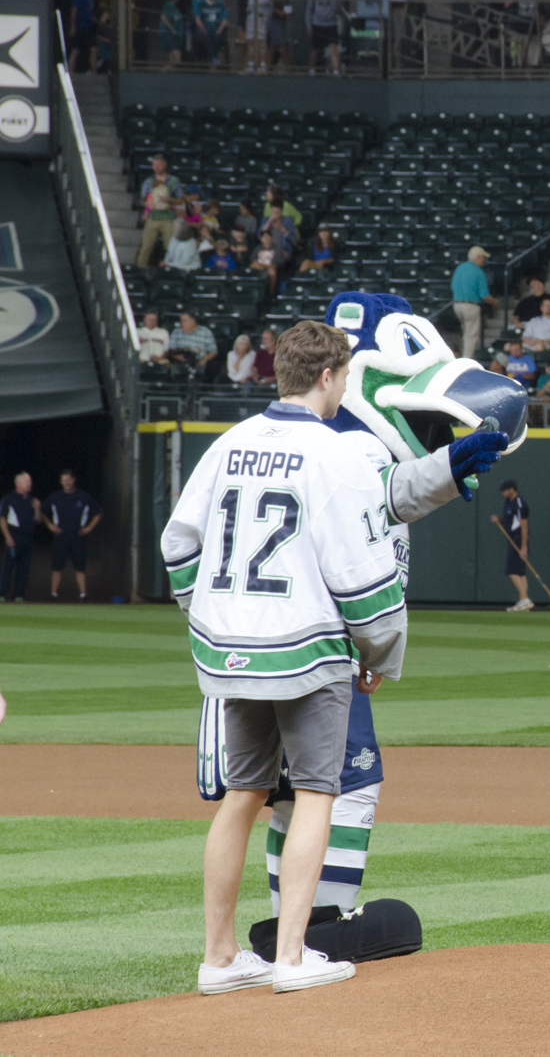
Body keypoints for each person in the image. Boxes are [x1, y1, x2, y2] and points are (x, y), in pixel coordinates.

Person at [161, 321, 407, 996]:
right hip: (309, 650)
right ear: (326, 376)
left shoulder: (230, 442)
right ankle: (292, 956)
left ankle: (218, 958)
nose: (344, 388)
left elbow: (178, 545)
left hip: (233, 650)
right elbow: (362, 576)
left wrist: (207, 614)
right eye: (344, 377)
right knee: (318, 794)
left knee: (242, 795)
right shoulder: (335, 454)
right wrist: (379, 653)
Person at [42, 468, 101, 603]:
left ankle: (83, 595)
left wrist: (89, 528)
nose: (67, 483)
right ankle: (53, 594)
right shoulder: (55, 497)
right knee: (57, 566)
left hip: (77, 536)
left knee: (80, 567)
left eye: (68, 480)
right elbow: (43, 511)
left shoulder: (83, 497)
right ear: (61, 482)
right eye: (64, 480)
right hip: (60, 536)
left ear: (74, 480)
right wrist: (49, 525)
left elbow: (98, 513)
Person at [491, 480, 533, 612]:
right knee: (520, 572)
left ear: (512, 489)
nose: (503, 493)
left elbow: (524, 525)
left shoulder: (519, 504)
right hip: (512, 538)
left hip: (518, 539)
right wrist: (499, 520)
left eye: (505, 490)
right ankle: (523, 601)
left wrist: (524, 547)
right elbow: (509, 519)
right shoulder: (508, 502)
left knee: (512, 571)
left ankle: (525, 599)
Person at [451, 246, 498, 359]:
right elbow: (484, 296)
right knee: (471, 334)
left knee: (465, 332)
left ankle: (462, 355)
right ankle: (467, 359)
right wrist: (494, 301)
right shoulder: (478, 272)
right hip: (471, 305)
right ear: (479, 257)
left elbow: (452, 287)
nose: (484, 260)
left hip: (457, 304)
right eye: (483, 258)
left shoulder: (460, 268)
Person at [0, 472, 41, 603]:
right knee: (8, 567)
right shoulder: (8, 499)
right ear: (18, 483)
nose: (29, 484)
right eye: (26, 481)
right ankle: (2, 593)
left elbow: (38, 520)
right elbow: (2, 519)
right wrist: (7, 536)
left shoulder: (31, 501)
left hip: (27, 538)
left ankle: (18, 595)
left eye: (30, 481)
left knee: (24, 568)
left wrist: (37, 509)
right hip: (14, 536)